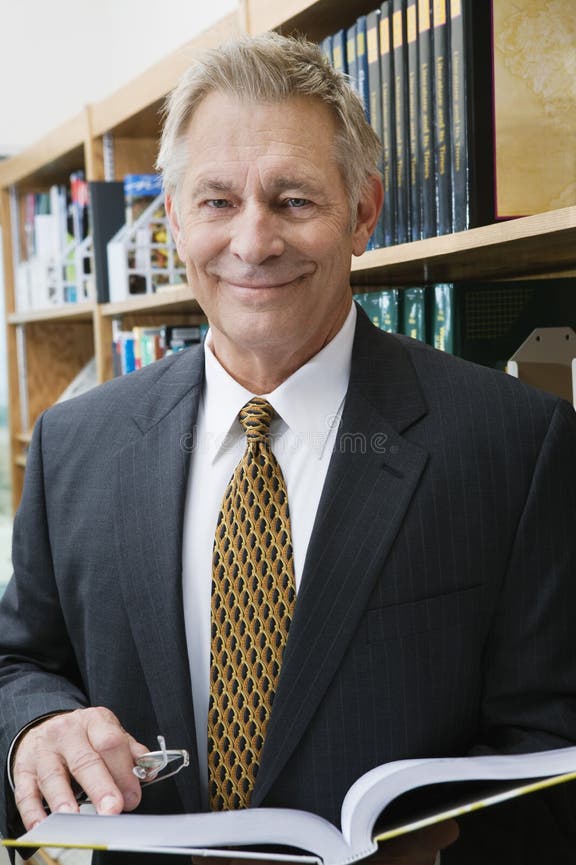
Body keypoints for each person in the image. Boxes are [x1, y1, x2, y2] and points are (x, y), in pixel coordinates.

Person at [1, 31, 575, 865]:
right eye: (217, 201)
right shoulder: (73, 444)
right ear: (175, 219)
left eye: (295, 200)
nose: (253, 242)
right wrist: (34, 728)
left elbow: (551, 741)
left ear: (363, 212)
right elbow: (16, 661)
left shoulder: (517, 443)